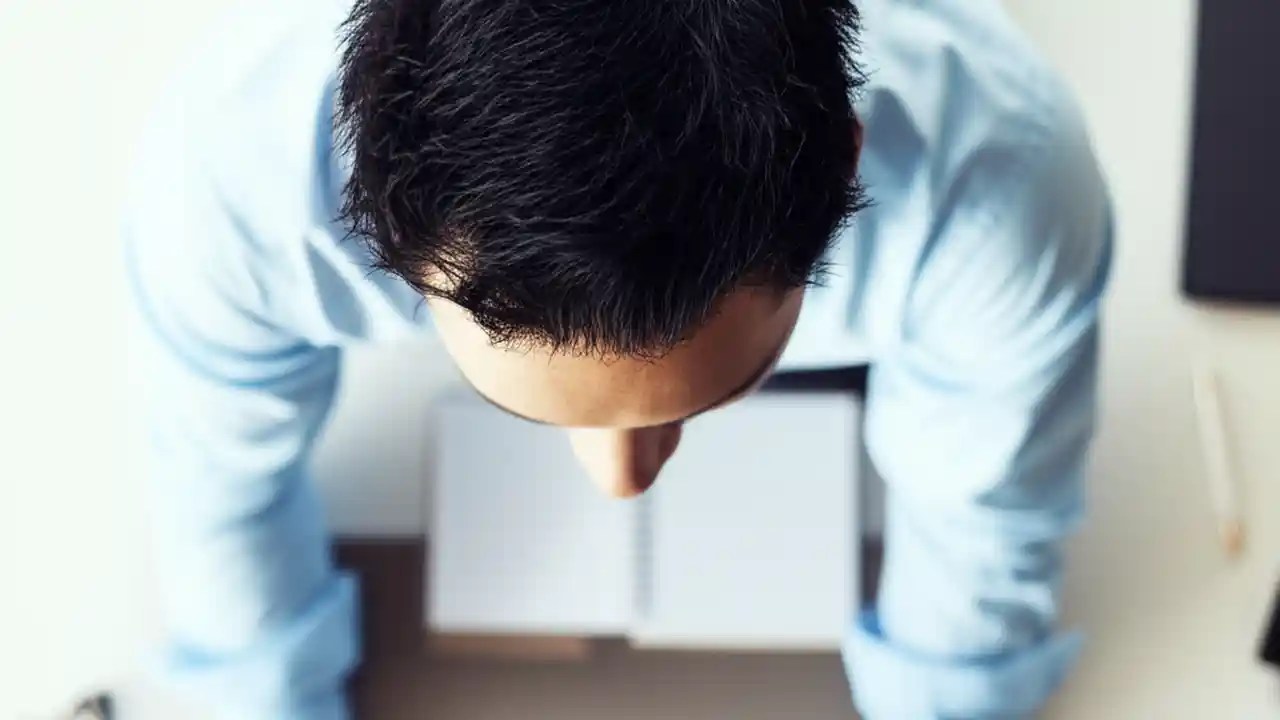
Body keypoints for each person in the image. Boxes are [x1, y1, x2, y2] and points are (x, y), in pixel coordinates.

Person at [123, 0, 1111, 717]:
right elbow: (213, 481)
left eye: (704, 394)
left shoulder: (1003, 195)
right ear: (377, 211)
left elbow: (989, 514)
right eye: (534, 405)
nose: (621, 483)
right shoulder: (229, 189)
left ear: (845, 166)